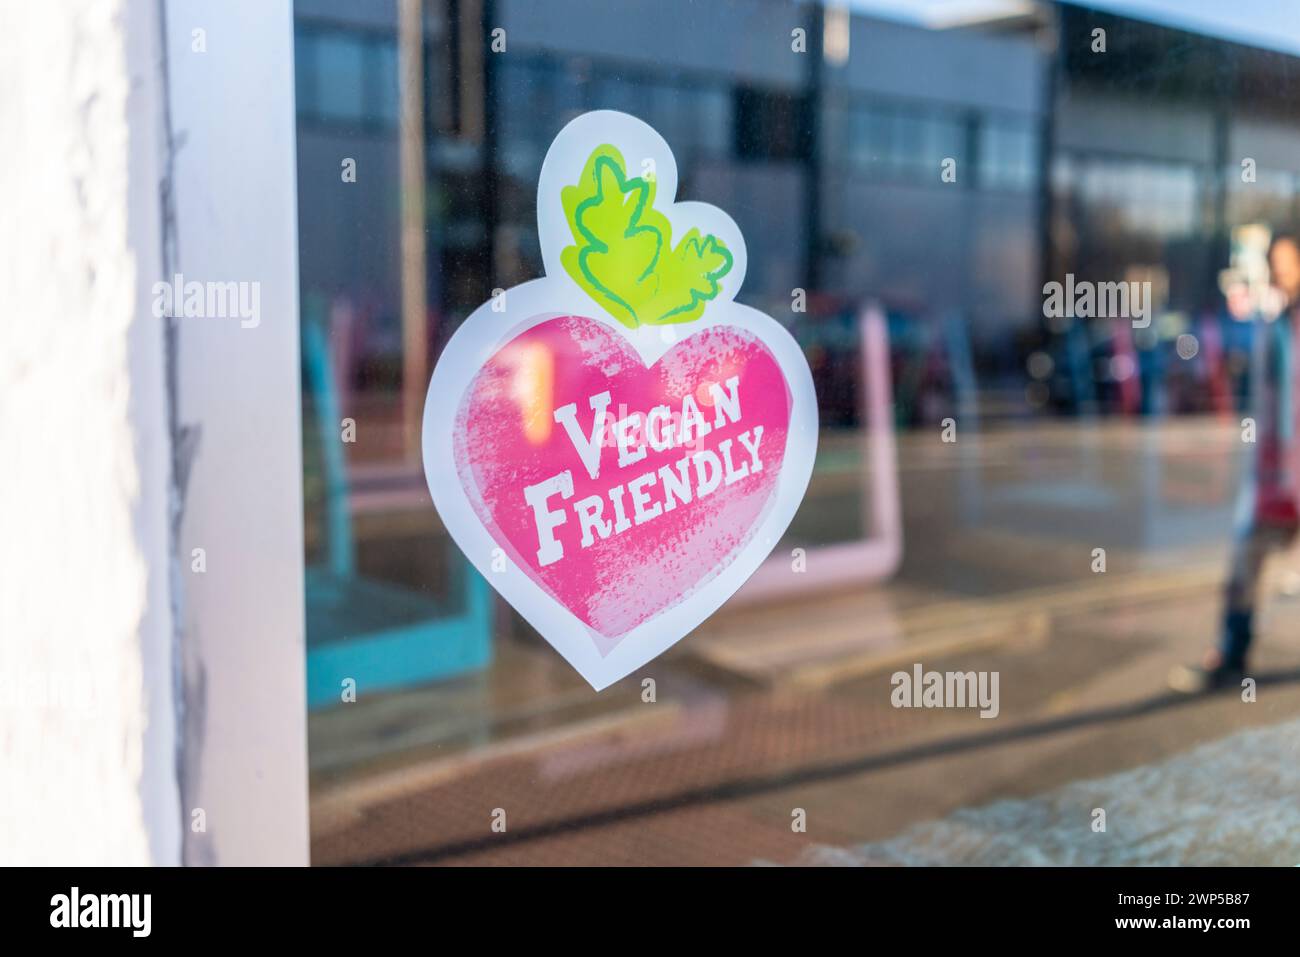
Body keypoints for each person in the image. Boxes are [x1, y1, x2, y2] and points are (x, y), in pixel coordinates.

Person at [1171, 232, 1300, 693]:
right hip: (1274, 470)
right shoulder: (1276, 320)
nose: (1284, 271)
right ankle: (1231, 655)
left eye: (1291, 261)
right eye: (1277, 262)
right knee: (1245, 562)